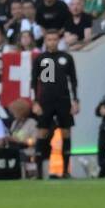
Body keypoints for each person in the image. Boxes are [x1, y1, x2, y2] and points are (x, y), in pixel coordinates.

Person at [30, 26, 79, 178]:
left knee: (65, 132)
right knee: (42, 133)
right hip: (46, 101)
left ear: (59, 41)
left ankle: (65, 171)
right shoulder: (41, 59)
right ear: (45, 41)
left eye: (55, 39)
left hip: (64, 100)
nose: (52, 42)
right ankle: (39, 172)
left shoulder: (66, 58)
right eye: (49, 40)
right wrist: (35, 102)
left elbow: (73, 81)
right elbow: (34, 82)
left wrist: (76, 101)